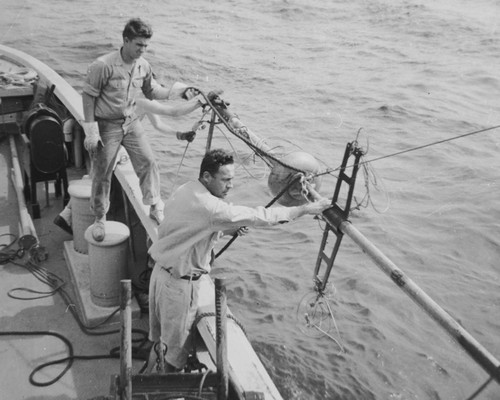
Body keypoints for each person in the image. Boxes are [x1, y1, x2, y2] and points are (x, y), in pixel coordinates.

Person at [146, 148, 331, 373]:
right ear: (207, 177)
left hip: (161, 276)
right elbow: (259, 216)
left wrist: (226, 231)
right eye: (225, 180)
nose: (230, 185)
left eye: (232, 179)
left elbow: (188, 230)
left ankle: (151, 378)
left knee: (160, 345)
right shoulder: (212, 208)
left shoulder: (187, 190)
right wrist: (304, 209)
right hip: (178, 287)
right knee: (174, 358)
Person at [81, 17, 207, 242]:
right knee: (102, 174)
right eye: (139, 44)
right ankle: (100, 218)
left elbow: (152, 91)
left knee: (148, 162)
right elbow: (88, 97)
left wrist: (180, 92)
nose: (143, 49)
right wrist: (91, 131)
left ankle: (154, 206)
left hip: (130, 122)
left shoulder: (143, 66)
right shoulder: (103, 65)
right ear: (126, 40)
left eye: (146, 45)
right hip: (106, 126)